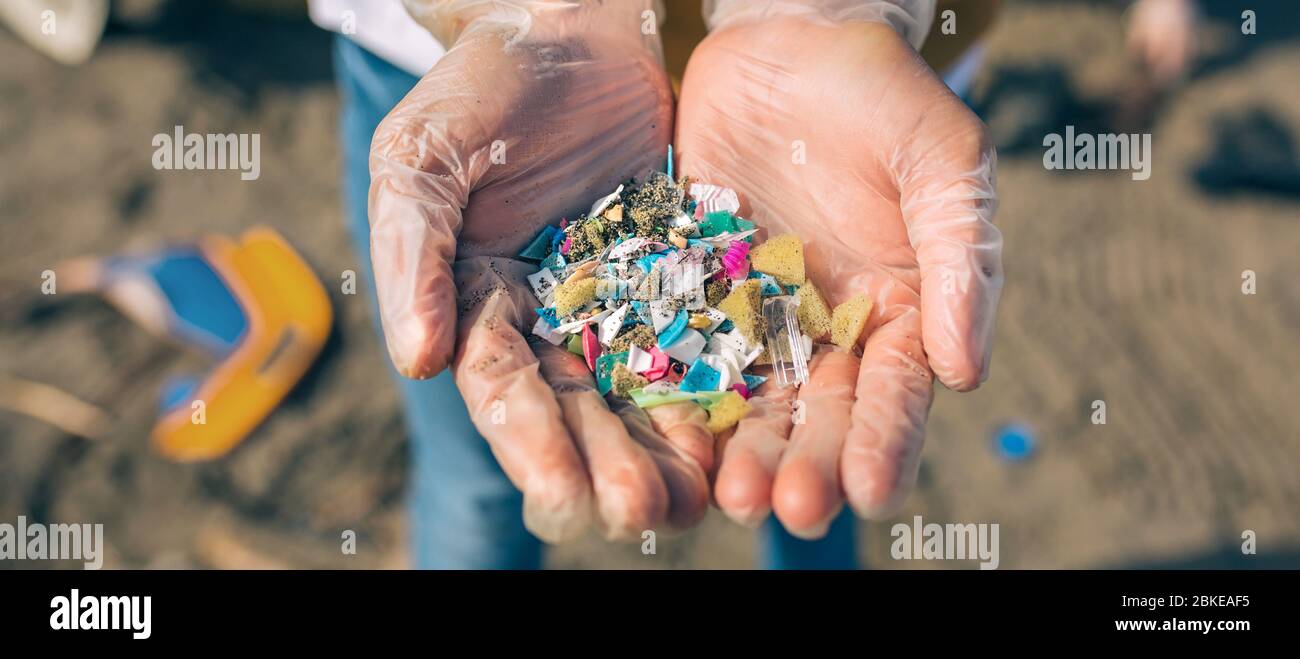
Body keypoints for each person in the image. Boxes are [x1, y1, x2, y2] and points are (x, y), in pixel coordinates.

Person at [317, 0, 1011, 569]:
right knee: (478, 475)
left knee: (814, 471)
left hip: (860, 85)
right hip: (466, 67)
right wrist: (538, 14)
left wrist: (823, 13)